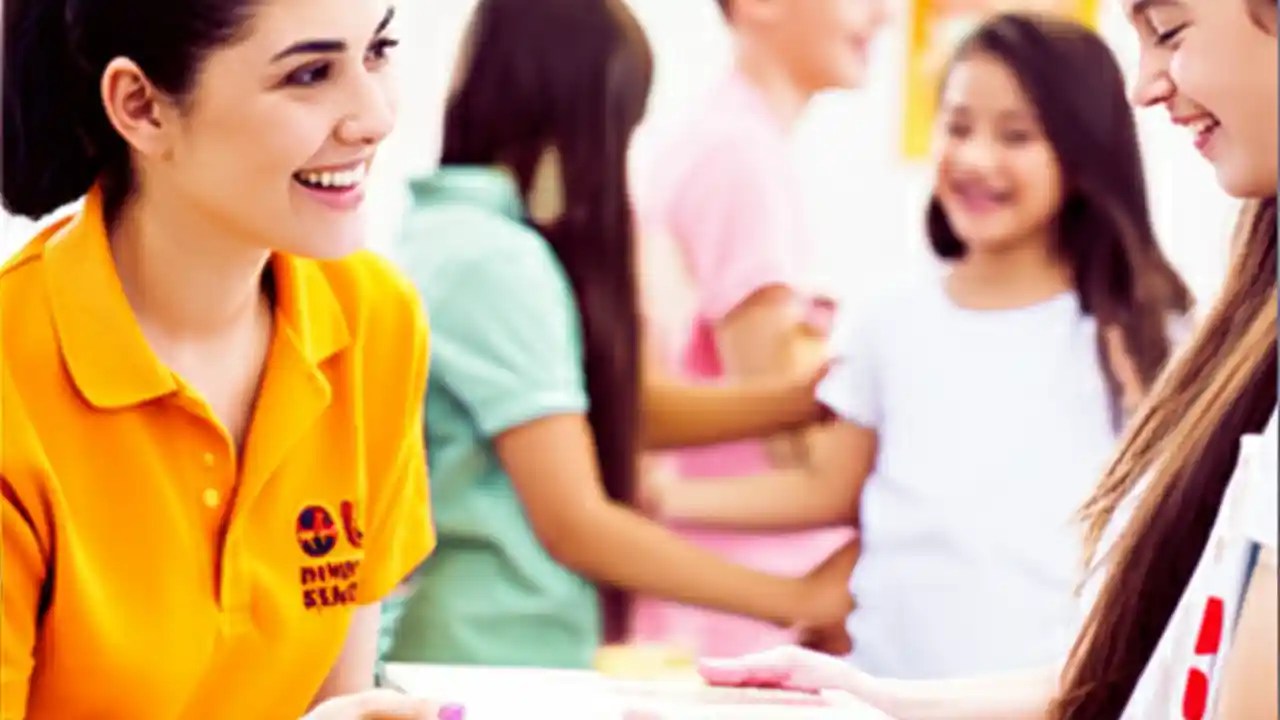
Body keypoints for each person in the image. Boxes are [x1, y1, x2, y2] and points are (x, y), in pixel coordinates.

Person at [697, 2, 1278, 718]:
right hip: (951, 685)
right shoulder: (888, 317)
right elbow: (829, 486)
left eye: (1169, 32)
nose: (975, 158)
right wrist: (876, 697)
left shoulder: (1144, 336)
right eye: (958, 125)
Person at [1, 1, 452, 718]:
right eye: (310, 73)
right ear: (141, 106)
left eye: (378, 49)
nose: (374, 117)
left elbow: (341, 700)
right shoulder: (13, 382)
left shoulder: (373, 320)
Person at [379, 0, 858, 671]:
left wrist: (801, 398)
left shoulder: (453, 235)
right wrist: (795, 597)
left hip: (502, 645)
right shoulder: (493, 261)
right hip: (493, 654)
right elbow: (575, 520)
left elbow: (606, 410)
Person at [628, 0, 891, 659]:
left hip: (723, 602)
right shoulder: (737, 157)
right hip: (741, 611)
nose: (883, 13)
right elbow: (790, 435)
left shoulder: (723, 141)